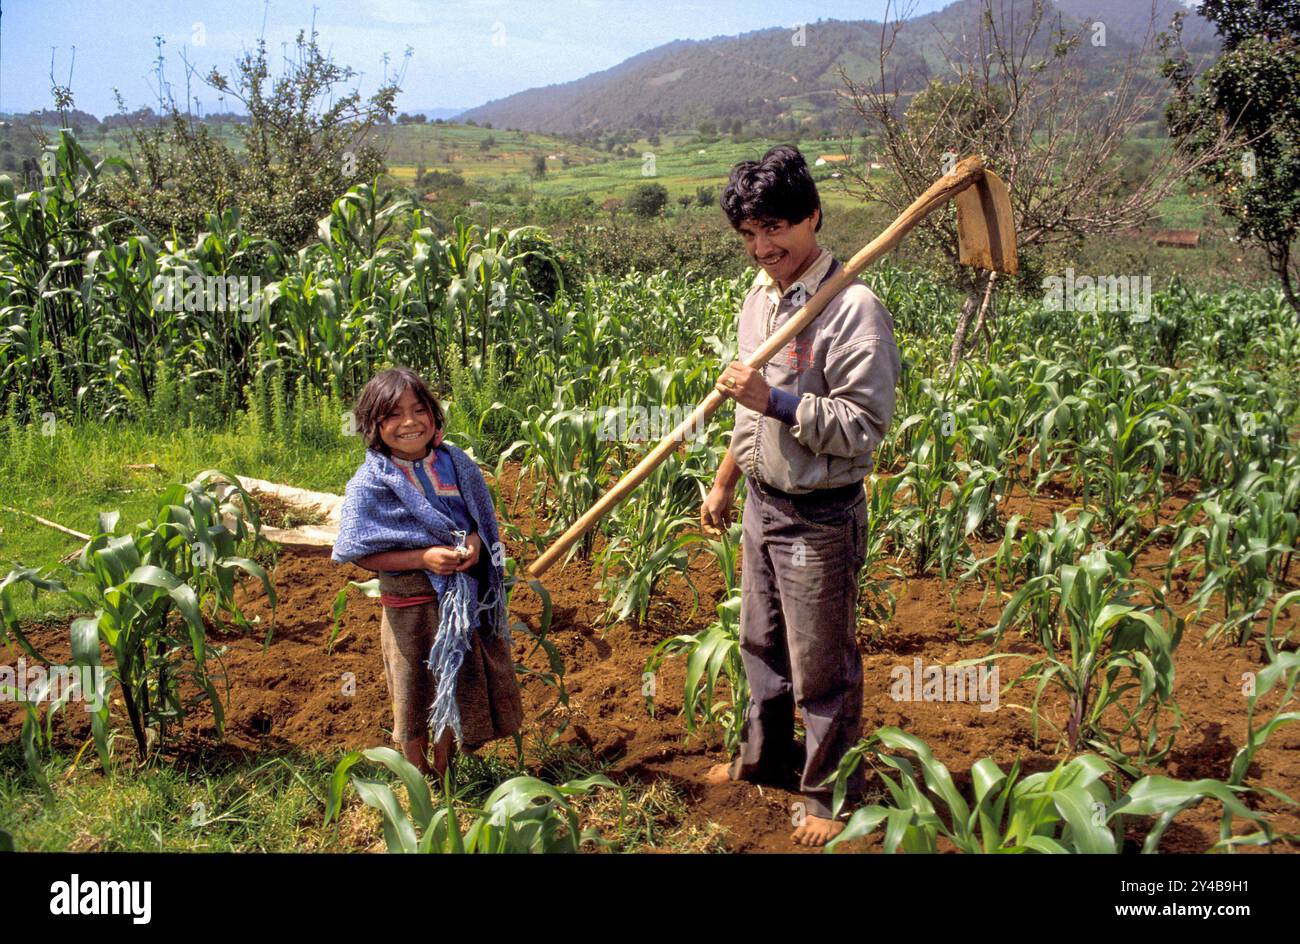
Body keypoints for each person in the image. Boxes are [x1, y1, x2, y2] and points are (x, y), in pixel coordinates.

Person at [701, 145, 902, 846]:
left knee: (821, 665)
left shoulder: (853, 309)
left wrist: (779, 400)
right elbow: (743, 408)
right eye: (749, 235)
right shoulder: (759, 297)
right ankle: (763, 763)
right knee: (760, 644)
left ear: (813, 217)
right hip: (763, 501)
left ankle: (829, 795)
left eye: (775, 229)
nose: (762, 247)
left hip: (819, 515)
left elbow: (863, 427)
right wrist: (728, 479)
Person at [331, 367, 522, 777]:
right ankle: (418, 779)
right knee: (412, 693)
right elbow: (361, 552)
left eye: (419, 410)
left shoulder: (456, 465)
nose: (409, 423)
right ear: (373, 425)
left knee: (452, 682)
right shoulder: (369, 483)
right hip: (409, 609)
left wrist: (472, 543)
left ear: (434, 417)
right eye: (393, 415)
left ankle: (446, 770)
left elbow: (477, 522)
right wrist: (423, 558)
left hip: (458, 604)